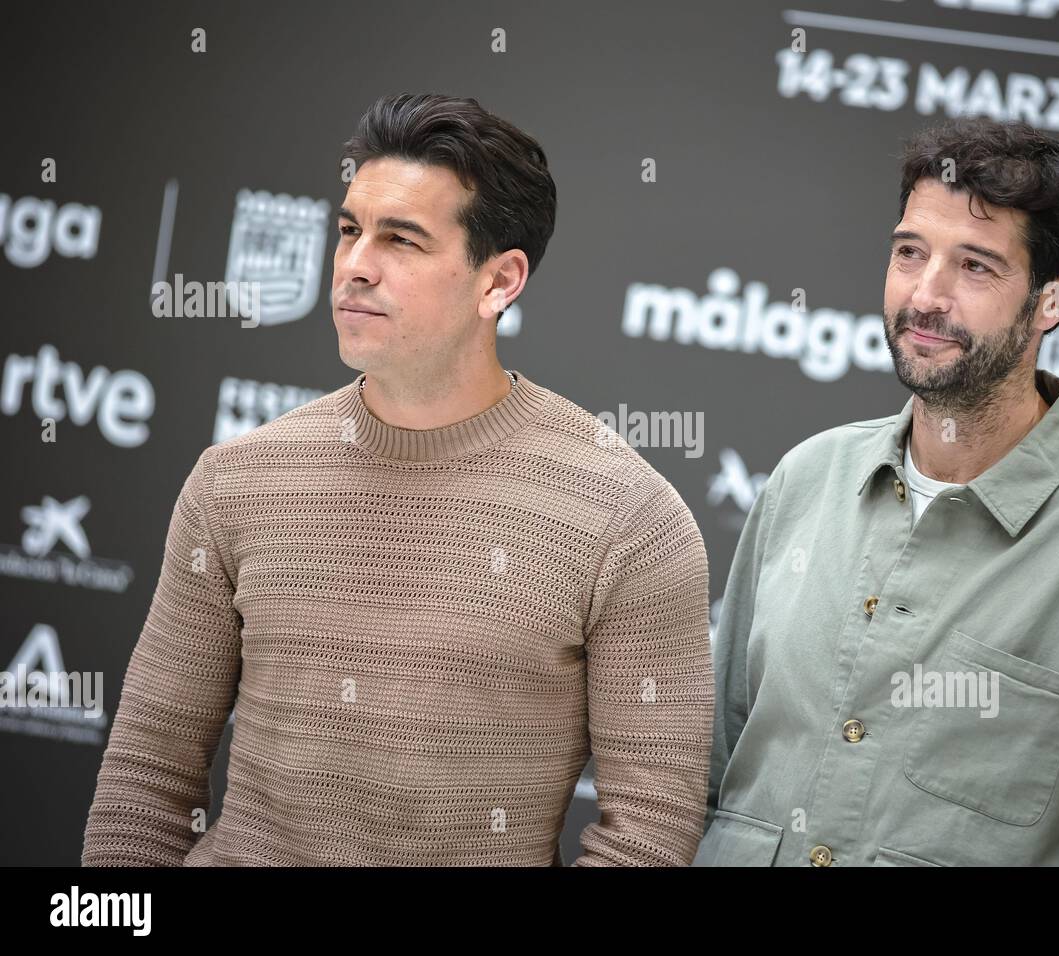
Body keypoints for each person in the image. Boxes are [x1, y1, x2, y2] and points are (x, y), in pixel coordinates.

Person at [82, 92, 713, 867]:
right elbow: (148, 779)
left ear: (499, 282)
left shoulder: (629, 520)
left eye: (401, 240)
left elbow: (648, 833)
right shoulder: (235, 481)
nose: (354, 265)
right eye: (349, 230)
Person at [693, 117, 1059, 867]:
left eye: (976, 267)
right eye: (909, 253)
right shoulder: (805, 478)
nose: (925, 296)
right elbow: (703, 783)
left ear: (1056, 299)